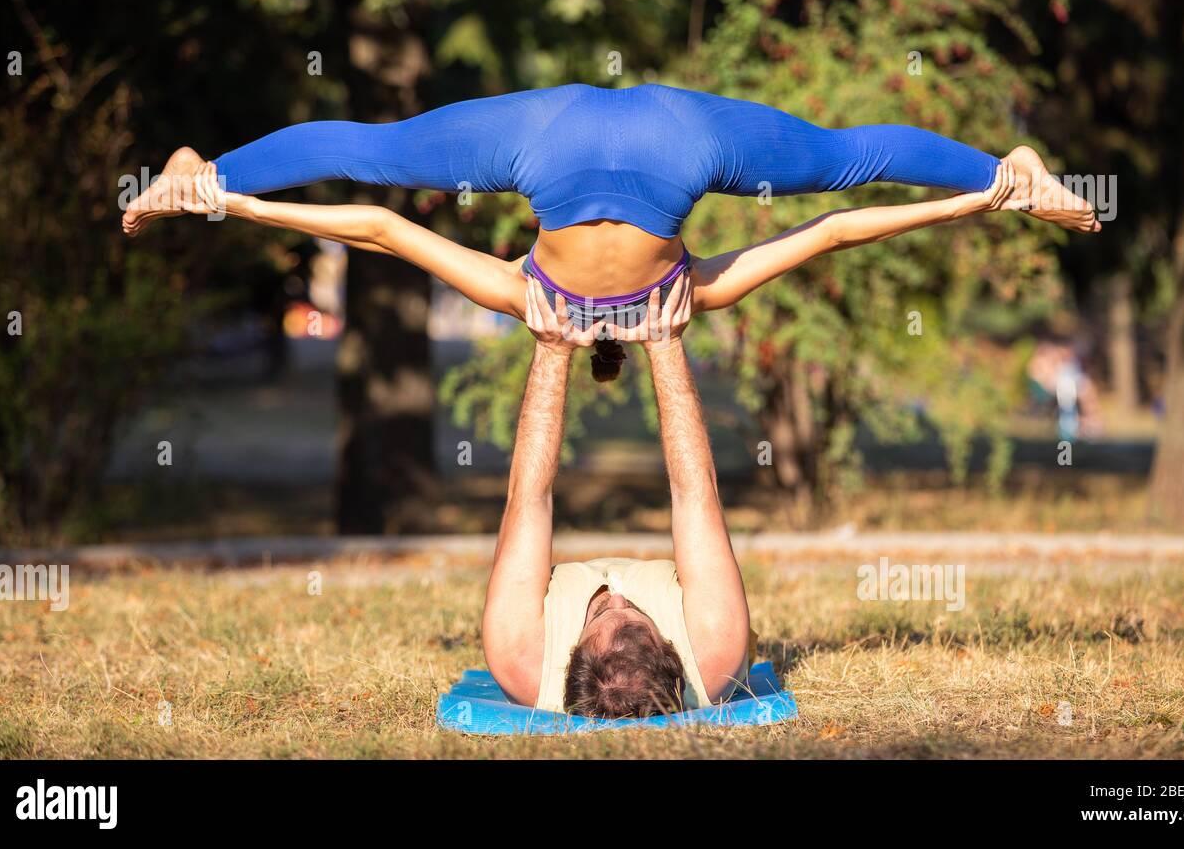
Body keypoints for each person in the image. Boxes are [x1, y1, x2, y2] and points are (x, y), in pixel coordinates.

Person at [122, 83, 1097, 377]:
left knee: (843, 155)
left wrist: (987, 195)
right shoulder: (534, 300)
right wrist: (233, 203)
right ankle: (198, 169)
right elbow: (373, 226)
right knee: (376, 150)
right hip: (575, 143)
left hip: (646, 144)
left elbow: (840, 229)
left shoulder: (680, 301)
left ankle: (1012, 165)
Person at [482, 271, 750, 717]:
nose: (619, 597)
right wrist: (665, 346)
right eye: (637, 616)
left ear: (571, 654)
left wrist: (552, 350)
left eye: (601, 616)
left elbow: (528, 498)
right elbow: (694, 492)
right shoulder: (713, 648)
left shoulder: (522, 657)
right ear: (673, 652)